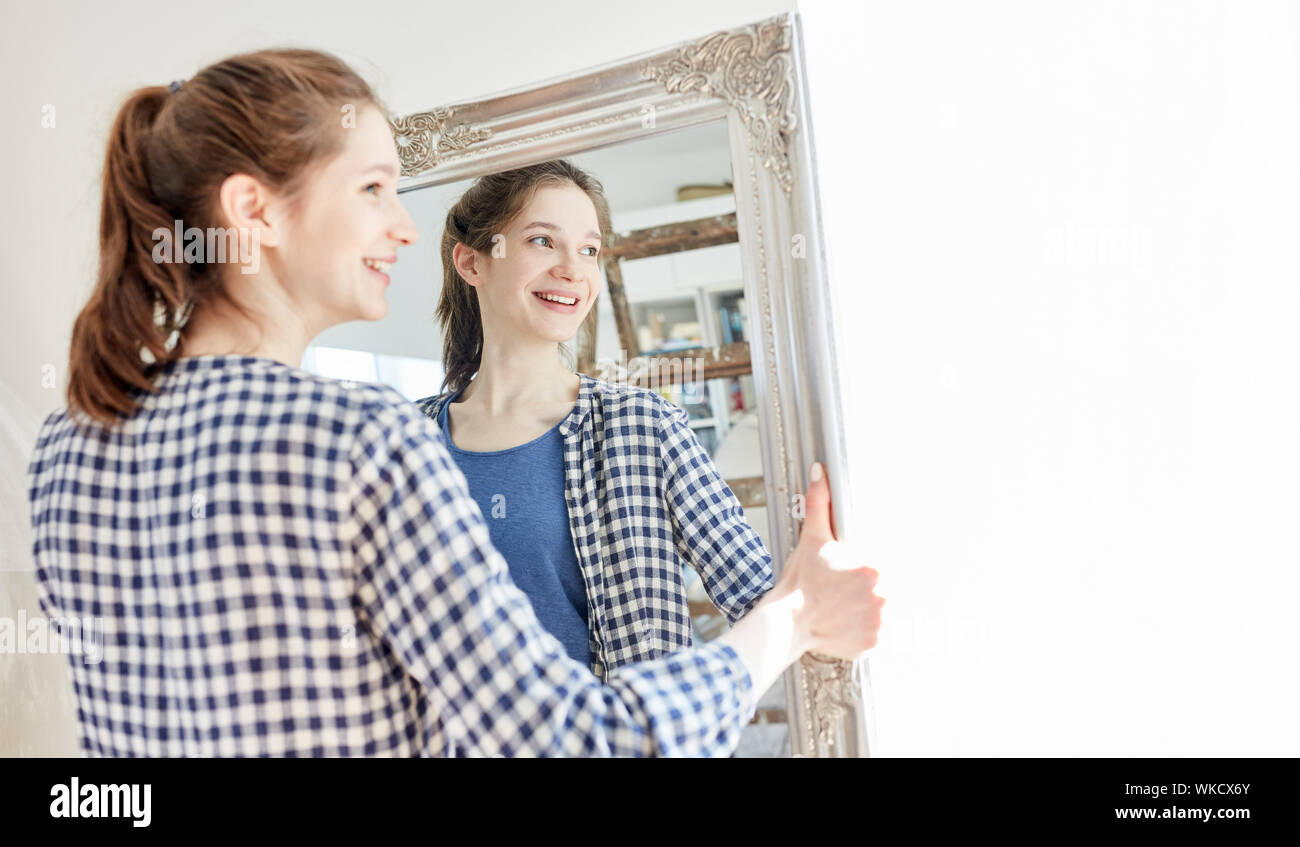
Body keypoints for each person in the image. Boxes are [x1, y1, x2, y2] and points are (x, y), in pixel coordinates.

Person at [26, 48, 884, 757]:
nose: (402, 226)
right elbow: (585, 739)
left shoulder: (67, 447)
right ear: (254, 211)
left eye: (589, 249)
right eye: (371, 189)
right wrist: (795, 616)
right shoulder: (364, 440)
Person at [418, 160, 774, 678]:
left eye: (588, 249)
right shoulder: (406, 441)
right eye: (543, 241)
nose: (573, 269)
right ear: (472, 262)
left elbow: (760, 601)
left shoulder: (644, 428)